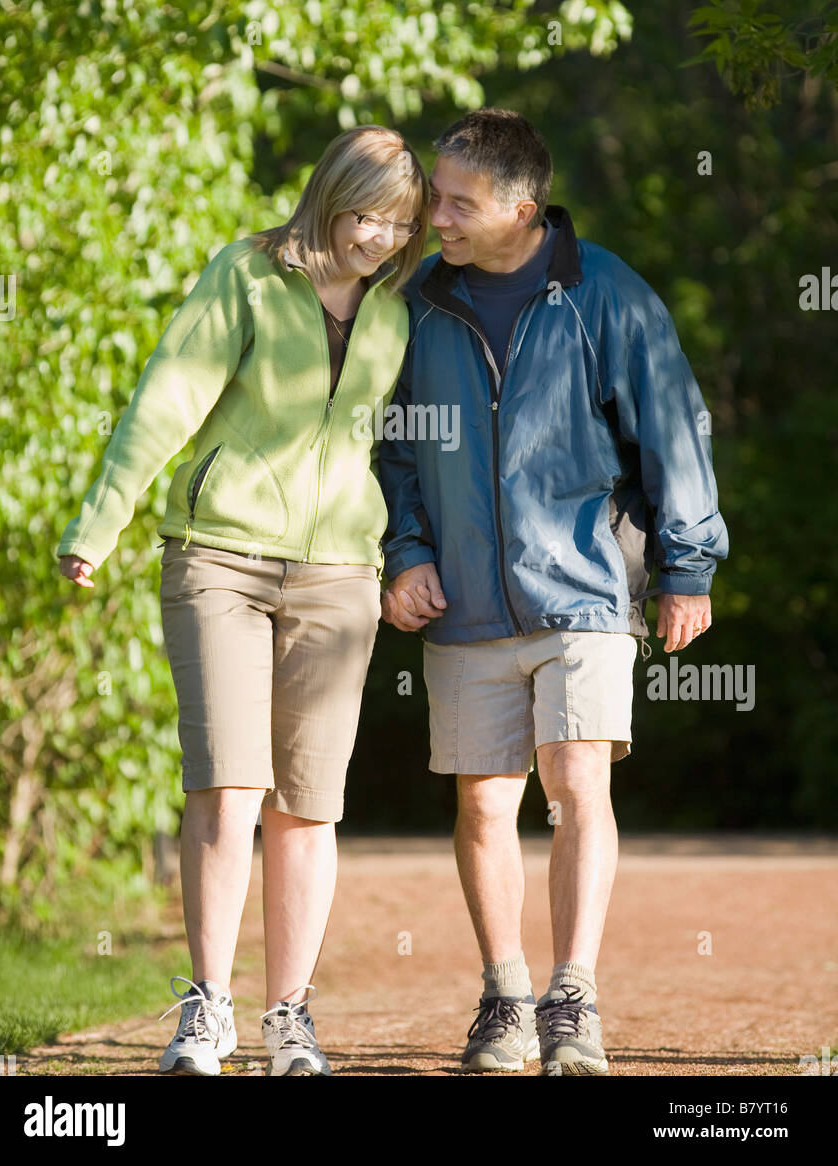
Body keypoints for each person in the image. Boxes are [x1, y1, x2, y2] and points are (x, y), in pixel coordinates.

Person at [56, 126, 428, 1077]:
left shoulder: (398, 307)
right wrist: (98, 523)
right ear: (328, 195)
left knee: (308, 805)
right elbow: (166, 398)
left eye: (400, 222)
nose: (380, 237)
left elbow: (404, 444)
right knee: (228, 785)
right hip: (218, 554)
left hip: (339, 571)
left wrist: (407, 555)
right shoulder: (249, 273)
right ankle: (207, 1008)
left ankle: (289, 1018)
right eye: (366, 214)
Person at [379, 107, 728, 1076]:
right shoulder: (417, 305)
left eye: (459, 201)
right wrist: (405, 551)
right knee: (486, 804)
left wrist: (685, 564)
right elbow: (394, 448)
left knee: (577, 789)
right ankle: (504, 995)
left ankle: (572, 993)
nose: (434, 215)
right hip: (465, 605)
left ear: (522, 207)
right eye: (435, 195)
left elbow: (673, 427)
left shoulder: (605, 294)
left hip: (582, 591)